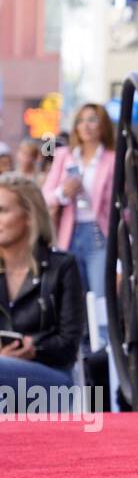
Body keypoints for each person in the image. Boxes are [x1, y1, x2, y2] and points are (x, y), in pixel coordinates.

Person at [41, 103, 138, 301]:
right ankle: (80, 334)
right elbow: (45, 196)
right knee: (72, 299)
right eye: (81, 120)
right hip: (68, 234)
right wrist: (63, 193)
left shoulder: (115, 158)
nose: (86, 125)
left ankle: (102, 334)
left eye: (92, 119)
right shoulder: (64, 156)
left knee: (101, 299)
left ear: (103, 125)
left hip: (100, 234)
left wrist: (118, 218)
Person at [0, 174, 86, 407]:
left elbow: (69, 345)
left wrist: (32, 349)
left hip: (52, 376)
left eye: (2, 210)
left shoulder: (62, 266)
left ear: (29, 216)